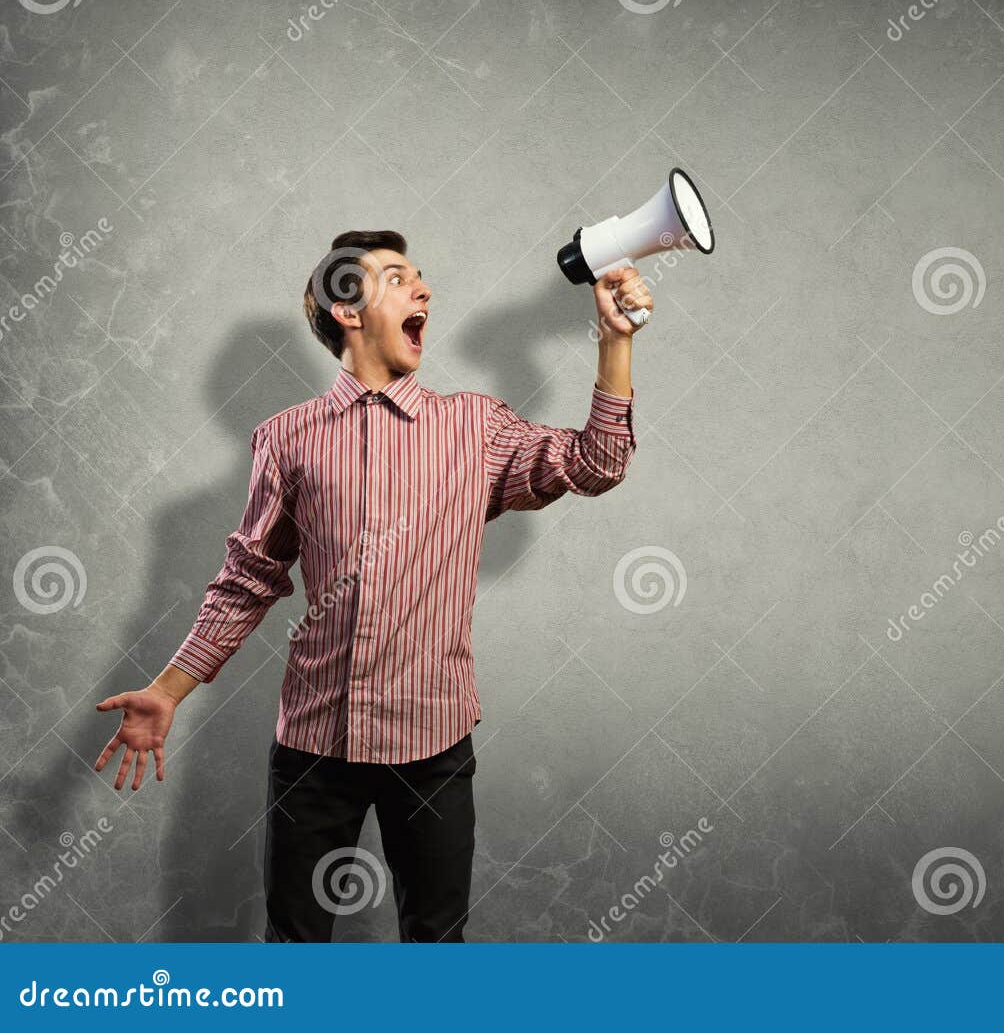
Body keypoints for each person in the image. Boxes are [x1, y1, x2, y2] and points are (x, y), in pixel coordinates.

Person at [92, 229, 652, 941]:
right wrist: (166, 690)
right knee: (295, 948)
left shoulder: (474, 427)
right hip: (314, 747)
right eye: (396, 277)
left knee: (435, 949)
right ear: (346, 307)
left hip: (434, 743)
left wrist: (614, 340)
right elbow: (248, 579)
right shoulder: (287, 438)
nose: (423, 288)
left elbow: (598, 462)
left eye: (420, 275)